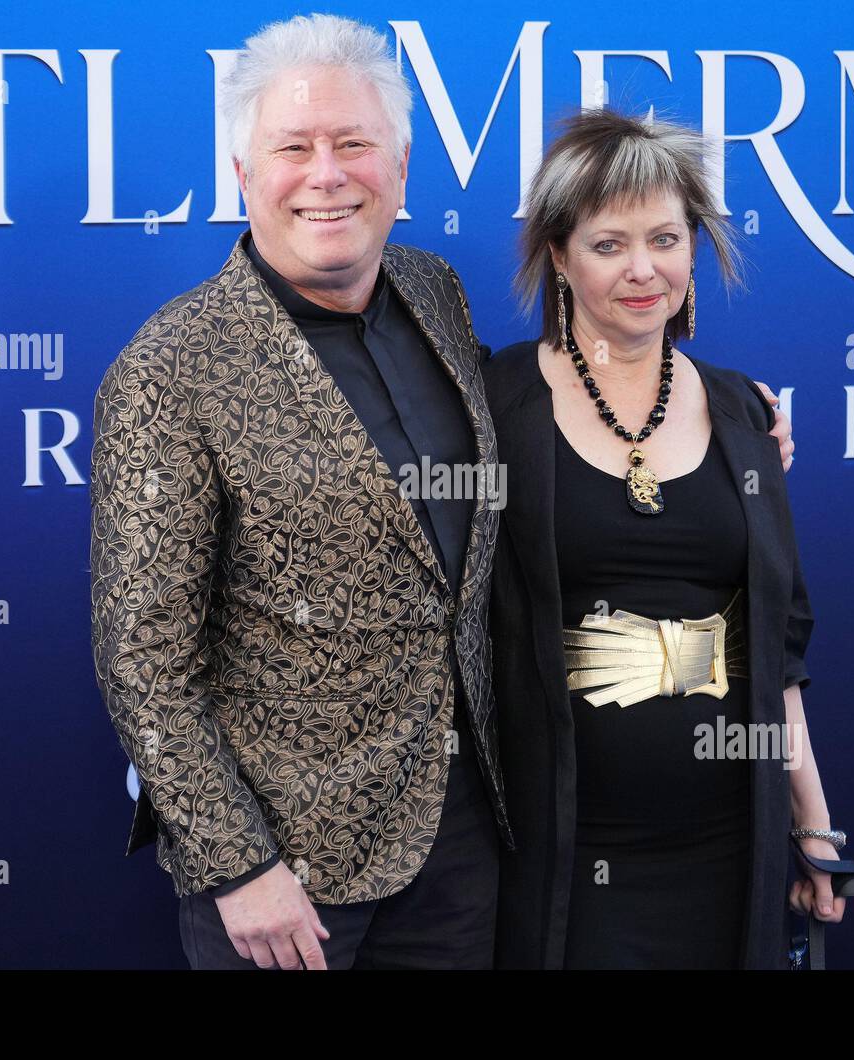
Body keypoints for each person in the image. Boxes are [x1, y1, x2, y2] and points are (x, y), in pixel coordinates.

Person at [89, 14, 509, 970]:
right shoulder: (171, 368)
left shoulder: (434, 290)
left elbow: (529, 414)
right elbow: (143, 657)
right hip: (288, 881)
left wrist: (714, 408)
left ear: (399, 167)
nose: (328, 174)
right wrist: (239, 868)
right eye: (294, 147)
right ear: (244, 175)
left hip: (461, 843)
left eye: (354, 144)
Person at [485, 108, 843, 969]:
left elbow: (776, 652)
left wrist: (815, 827)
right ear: (560, 256)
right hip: (558, 858)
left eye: (666, 239)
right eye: (609, 244)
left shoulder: (744, 413)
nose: (643, 270)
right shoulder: (491, 405)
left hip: (730, 853)